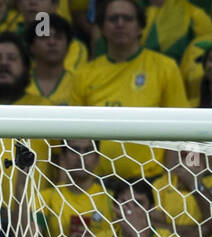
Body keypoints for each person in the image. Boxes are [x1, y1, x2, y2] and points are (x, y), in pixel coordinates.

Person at [73, 0, 189, 179]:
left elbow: (179, 131)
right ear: (102, 28)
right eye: (113, 19)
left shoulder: (165, 67)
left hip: (150, 183)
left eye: (127, 18)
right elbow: (73, 136)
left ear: (140, 27)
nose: (120, 23)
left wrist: (167, 184)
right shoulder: (84, 74)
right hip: (97, 184)